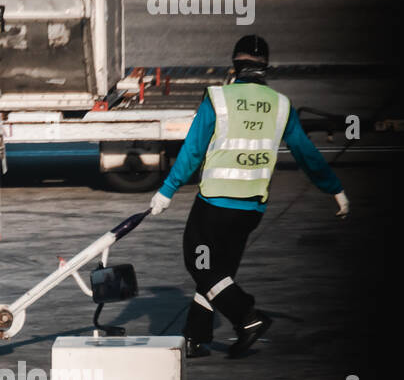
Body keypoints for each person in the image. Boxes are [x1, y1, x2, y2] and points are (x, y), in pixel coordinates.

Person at [147, 36, 348, 359]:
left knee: (199, 264)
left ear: (234, 66)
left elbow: (194, 150)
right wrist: (334, 189)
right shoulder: (281, 105)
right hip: (252, 207)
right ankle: (197, 337)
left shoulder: (219, 98)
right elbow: (306, 152)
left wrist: (167, 190)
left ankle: (247, 317)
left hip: (215, 204)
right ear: (266, 67)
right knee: (220, 272)